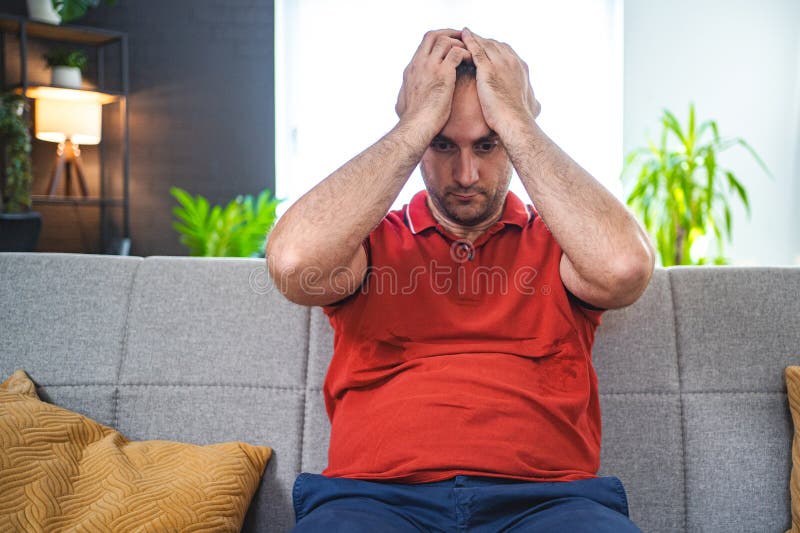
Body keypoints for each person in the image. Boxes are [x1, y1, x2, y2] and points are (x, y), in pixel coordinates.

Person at [267, 27, 654, 533]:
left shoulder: (560, 243)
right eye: (443, 144)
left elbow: (624, 269)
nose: (466, 174)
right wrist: (414, 122)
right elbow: (294, 262)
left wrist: (518, 119)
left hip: (550, 505)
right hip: (373, 503)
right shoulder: (370, 242)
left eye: (489, 144)